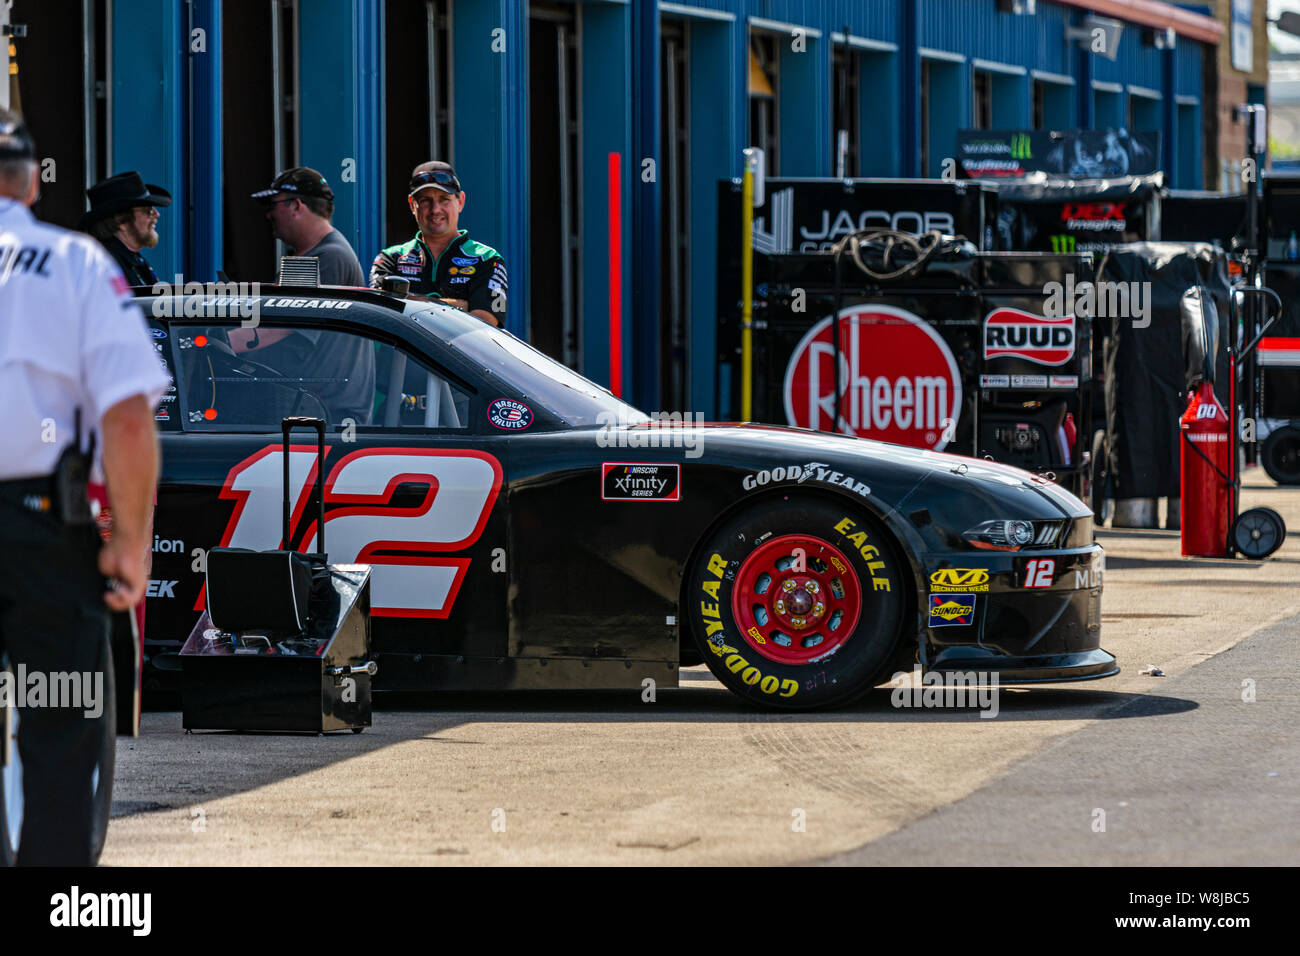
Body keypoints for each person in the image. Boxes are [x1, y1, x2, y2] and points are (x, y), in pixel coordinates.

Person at [0, 109, 168, 865]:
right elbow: (130, 420)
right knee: (62, 723)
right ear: (34, 182)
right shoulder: (72, 265)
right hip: (40, 524)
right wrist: (131, 547)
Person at [370, 161, 508, 326]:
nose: (435, 209)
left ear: (461, 201)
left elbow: (485, 323)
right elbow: (381, 315)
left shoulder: (487, 259)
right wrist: (462, 305)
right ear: (412, 205)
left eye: (444, 199)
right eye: (425, 200)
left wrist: (409, 301)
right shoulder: (390, 258)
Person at [250, 167, 365, 286]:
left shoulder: (329, 258)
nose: (269, 215)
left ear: (296, 206)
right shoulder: (322, 254)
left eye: (272, 206)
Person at [80, 171, 171, 286]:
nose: (157, 214)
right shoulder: (105, 265)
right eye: (148, 211)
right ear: (121, 221)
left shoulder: (135, 260)